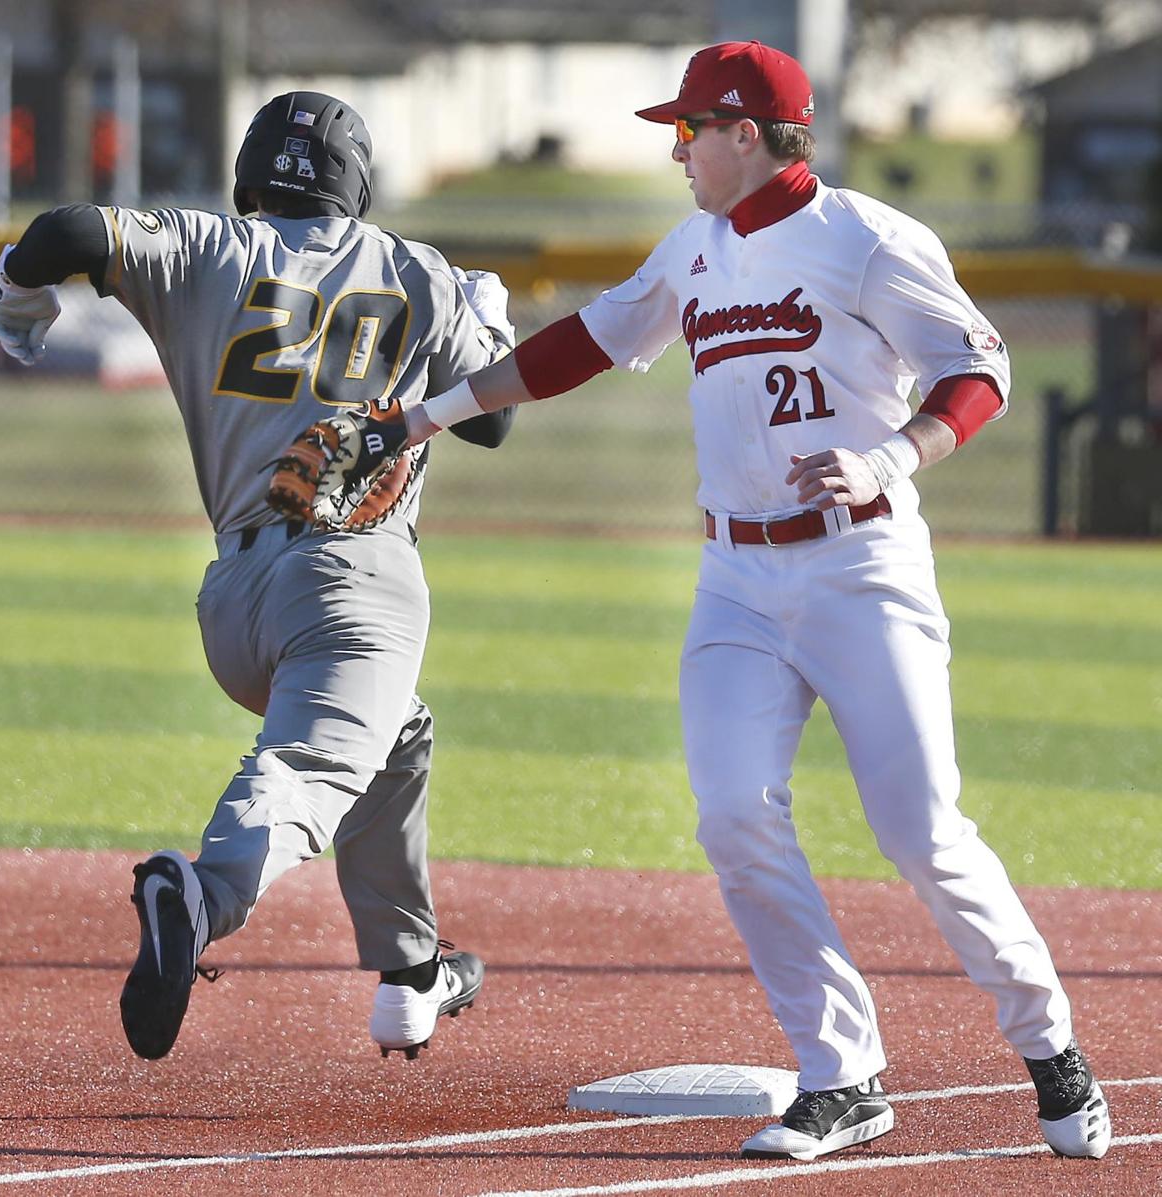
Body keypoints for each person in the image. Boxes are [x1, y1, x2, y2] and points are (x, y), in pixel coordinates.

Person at [334, 43, 1111, 1162]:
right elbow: (577, 348)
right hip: (736, 581)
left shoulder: (868, 239)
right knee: (735, 816)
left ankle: (1052, 1050)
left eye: (690, 128)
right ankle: (841, 1074)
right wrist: (418, 419)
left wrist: (894, 457)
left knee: (922, 830)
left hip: (861, 569)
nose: (677, 148)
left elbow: (978, 369)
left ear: (747, 132)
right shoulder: (694, 247)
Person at [0, 91, 517, 1063]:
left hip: (233, 605)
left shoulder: (200, 246)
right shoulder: (419, 272)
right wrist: (486, 320)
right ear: (359, 186)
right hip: (357, 584)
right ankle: (201, 897)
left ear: (247, 175)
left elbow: (65, 229)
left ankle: (410, 975)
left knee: (393, 733)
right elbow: (493, 420)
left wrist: (19, 294)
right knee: (315, 765)